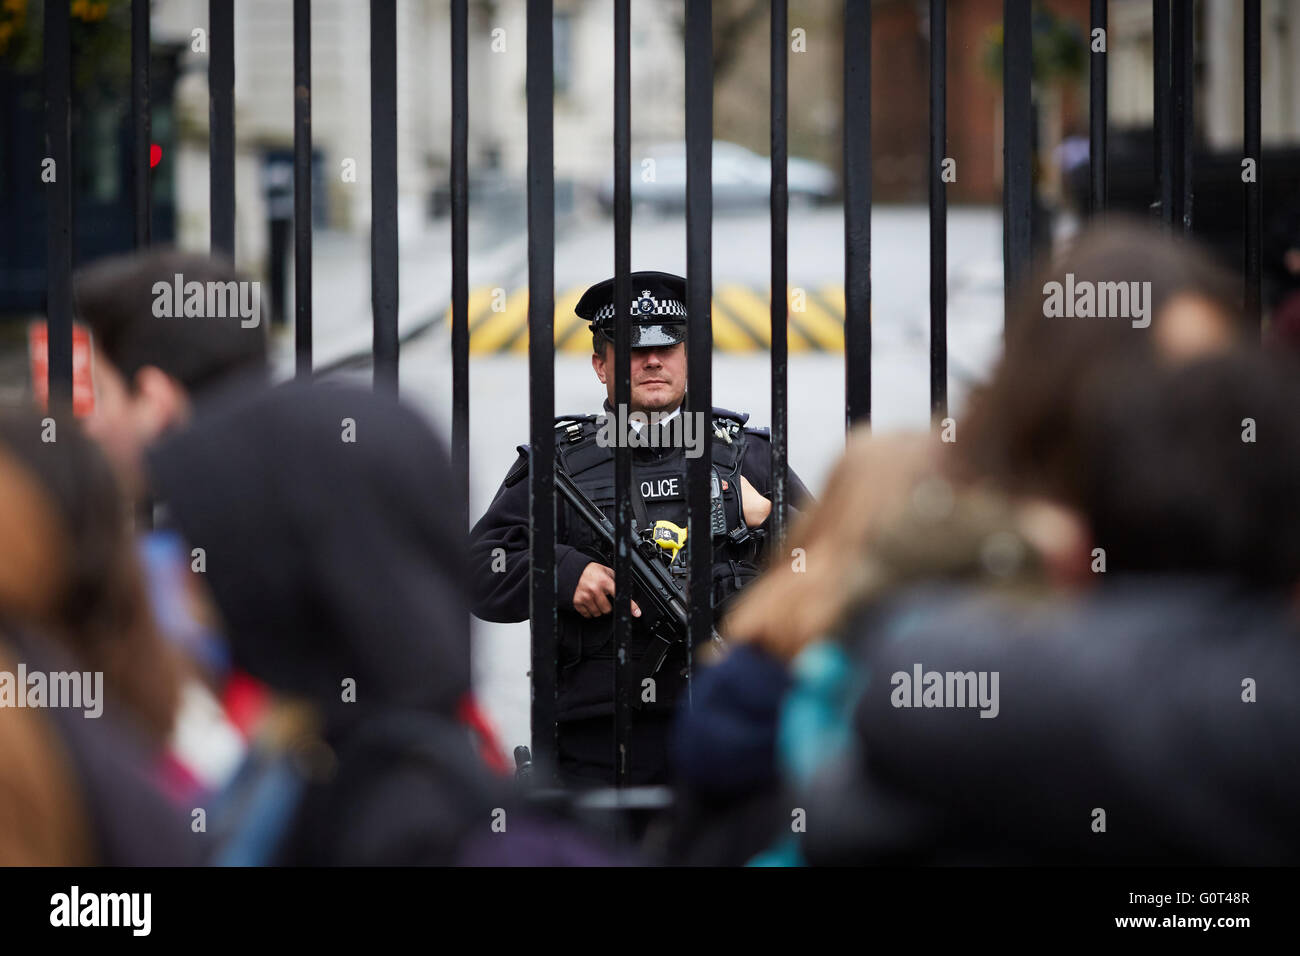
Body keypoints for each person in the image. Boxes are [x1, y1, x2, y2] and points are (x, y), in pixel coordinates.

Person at [469, 271, 810, 787]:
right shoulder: (558, 467)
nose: (652, 360)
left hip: (729, 724)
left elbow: (839, 569)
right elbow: (477, 571)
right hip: (597, 740)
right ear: (600, 365)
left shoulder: (748, 457)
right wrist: (564, 574)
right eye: (632, 348)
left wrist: (767, 518)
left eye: (668, 347)